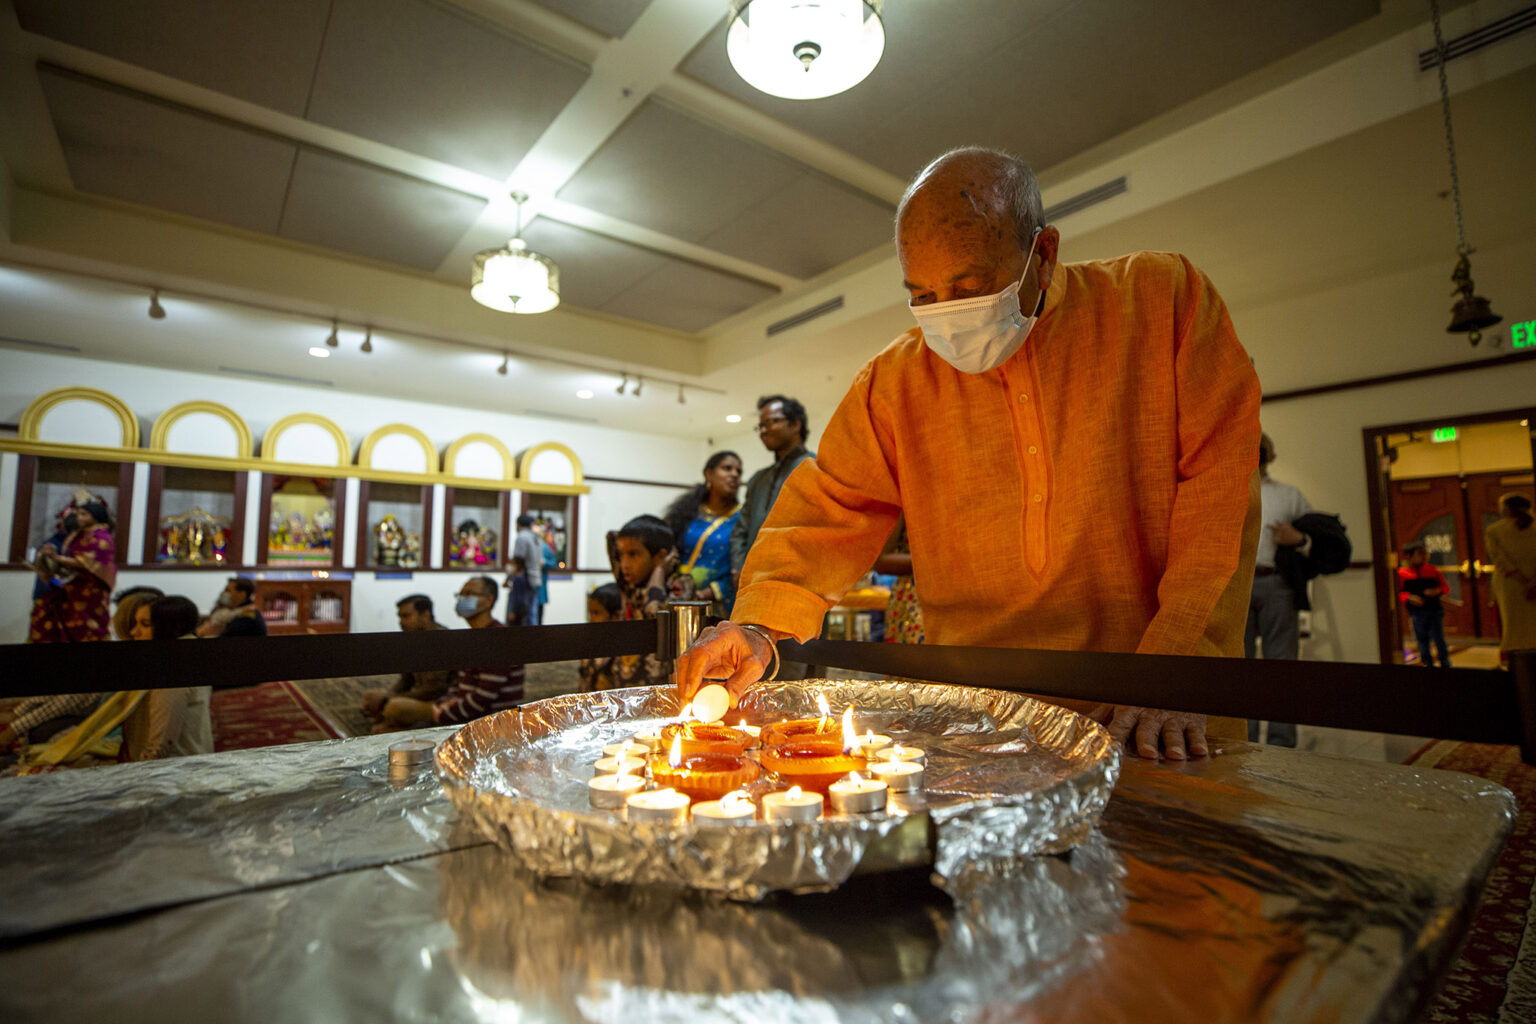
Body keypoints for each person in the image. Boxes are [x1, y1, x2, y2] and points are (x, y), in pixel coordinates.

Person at [677, 146, 1261, 761]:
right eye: (923, 295)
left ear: (1044, 252)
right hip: (980, 720)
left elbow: (1218, 490)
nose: (948, 316)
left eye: (970, 288)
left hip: (1151, 711)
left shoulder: (1160, 301)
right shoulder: (894, 382)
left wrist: (1174, 667)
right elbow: (828, 511)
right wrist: (759, 626)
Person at [381, 576, 524, 727]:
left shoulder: (497, 638)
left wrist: (440, 713)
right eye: (461, 594)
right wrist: (443, 705)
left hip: (490, 722)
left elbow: (483, 699)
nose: (462, 599)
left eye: (469, 594)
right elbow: (459, 685)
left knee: (394, 711)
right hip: (459, 710)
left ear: (489, 600)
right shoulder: (474, 637)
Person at [1243, 433, 1312, 747]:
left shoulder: (1290, 496)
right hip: (1236, 587)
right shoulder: (1231, 491)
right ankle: (1244, 737)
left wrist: (1298, 539)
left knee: (1281, 666)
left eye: (1260, 448)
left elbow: (1318, 540)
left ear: (1269, 455)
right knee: (1237, 666)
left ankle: (1283, 742)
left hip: (1277, 585)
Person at [730, 396, 815, 586]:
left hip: (800, 586)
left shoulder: (818, 468)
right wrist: (739, 568)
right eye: (760, 426)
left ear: (795, 424)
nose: (763, 430)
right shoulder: (758, 479)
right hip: (753, 584)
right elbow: (740, 531)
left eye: (771, 422)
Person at [120, 595, 214, 760]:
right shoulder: (189, 653)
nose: (134, 632)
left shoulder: (172, 669)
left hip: (177, 770)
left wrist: (138, 774)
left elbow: (161, 745)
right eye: (135, 624)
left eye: (145, 625)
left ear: (169, 628)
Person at [609, 515, 698, 686]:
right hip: (627, 676)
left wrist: (659, 571)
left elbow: (655, 613)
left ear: (660, 557)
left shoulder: (680, 584)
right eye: (622, 555)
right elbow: (611, 539)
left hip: (658, 683)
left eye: (633, 554)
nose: (624, 564)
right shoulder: (631, 584)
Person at [664, 451, 743, 617]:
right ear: (709, 474)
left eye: (739, 471)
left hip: (719, 606)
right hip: (680, 599)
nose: (734, 474)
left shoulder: (742, 518)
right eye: (727, 468)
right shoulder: (687, 512)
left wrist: (704, 595)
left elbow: (741, 566)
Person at [28, 496, 117, 643]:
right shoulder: (77, 535)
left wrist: (57, 558)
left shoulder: (102, 537)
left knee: (88, 628)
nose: (79, 517)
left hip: (89, 590)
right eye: (78, 514)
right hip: (68, 589)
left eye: (84, 514)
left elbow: (89, 562)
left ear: (95, 516)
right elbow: (64, 556)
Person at [362, 594, 450, 731]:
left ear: (425, 615)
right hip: (416, 695)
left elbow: (433, 690)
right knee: (370, 697)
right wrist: (388, 696)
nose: (401, 622)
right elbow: (405, 680)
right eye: (400, 617)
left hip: (436, 701)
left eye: (406, 616)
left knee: (391, 710)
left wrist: (388, 700)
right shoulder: (413, 639)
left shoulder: (440, 641)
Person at [1486, 493, 1536, 661]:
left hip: (1510, 583)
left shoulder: (1494, 530)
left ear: (1506, 509)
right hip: (1533, 582)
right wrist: (1532, 582)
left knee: (1512, 624)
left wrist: (1522, 581)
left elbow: (1500, 560)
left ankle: (1514, 661)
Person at [1397, 544, 1451, 668]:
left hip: (1434, 610)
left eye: (1425, 553)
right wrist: (1409, 598)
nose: (1424, 556)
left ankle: (1445, 662)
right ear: (1410, 556)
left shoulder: (1432, 571)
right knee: (1422, 639)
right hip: (1417, 612)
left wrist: (1436, 591)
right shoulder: (1403, 573)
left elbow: (1445, 587)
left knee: (1439, 638)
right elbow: (1399, 593)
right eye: (1420, 553)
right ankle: (1427, 662)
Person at [578, 582, 624, 692]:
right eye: (590, 613)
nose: (591, 619)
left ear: (616, 616)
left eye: (596, 613)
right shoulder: (590, 644)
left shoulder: (622, 651)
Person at [196, 576, 266, 637]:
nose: (225, 593)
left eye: (229, 590)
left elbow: (224, 639)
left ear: (242, 594)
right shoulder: (234, 611)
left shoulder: (248, 616)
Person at [512, 515, 545, 625]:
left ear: (519, 524)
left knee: (522, 612)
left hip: (525, 578)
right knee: (532, 611)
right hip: (536, 577)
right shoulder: (536, 537)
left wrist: (511, 577)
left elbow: (519, 559)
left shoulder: (522, 536)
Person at [506, 556, 536, 626]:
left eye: (513, 564)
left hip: (517, 608)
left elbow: (515, 596)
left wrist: (511, 610)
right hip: (523, 607)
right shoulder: (524, 576)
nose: (511, 566)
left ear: (518, 565)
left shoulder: (518, 579)